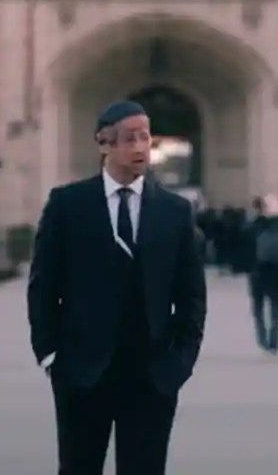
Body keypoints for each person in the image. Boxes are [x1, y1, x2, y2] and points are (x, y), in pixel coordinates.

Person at [27, 100, 208, 475]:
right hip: (81, 371)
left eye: (145, 137)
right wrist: (50, 355)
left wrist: (181, 360)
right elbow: (43, 286)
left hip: (152, 375)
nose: (140, 147)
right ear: (104, 143)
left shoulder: (174, 211)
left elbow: (192, 294)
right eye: (129, 139)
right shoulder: (68, 205)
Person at [246, 194, 278, 357]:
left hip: (258, 271)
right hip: (277, 272)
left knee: (258, 308)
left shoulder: (254, 226)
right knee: (276, 309)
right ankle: (274, 342)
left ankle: (263, 339)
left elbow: (245, 247)